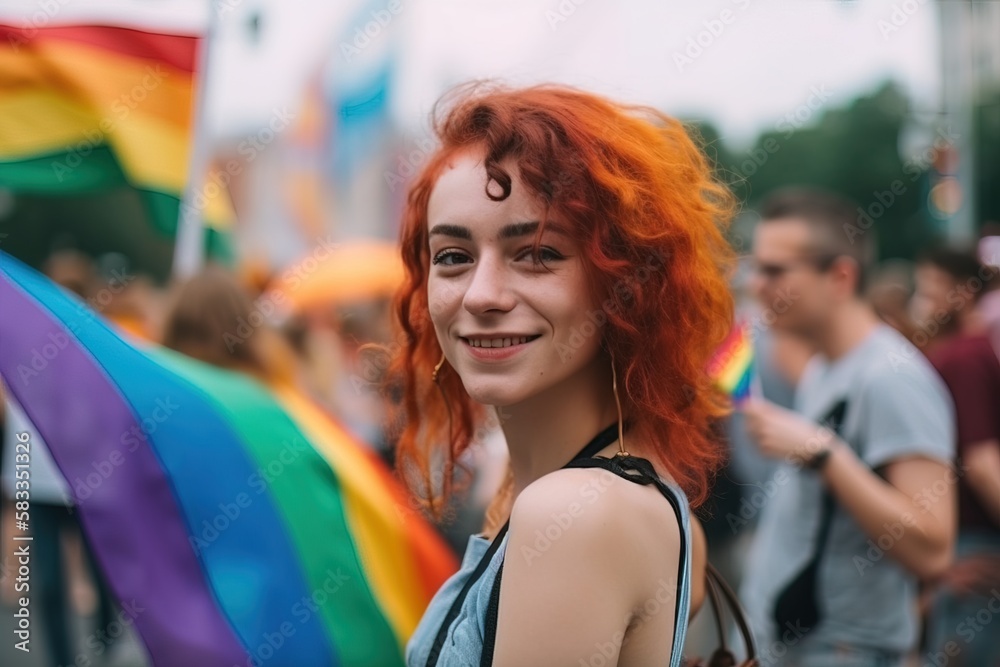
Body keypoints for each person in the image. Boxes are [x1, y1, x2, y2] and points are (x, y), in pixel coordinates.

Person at [392, 83, 734, 666]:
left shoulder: (572, 515)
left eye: (539, 253)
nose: (482, 295)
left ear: (626, 284)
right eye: (452, 257)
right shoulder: (602, 493)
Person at [740, 188, 956, 666]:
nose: (756, 285)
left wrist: (823, 454)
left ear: (839, 276)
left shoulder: (891, 378)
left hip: (844, 648)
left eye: (775, 270)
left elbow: (934, 550)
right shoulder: (826, 365)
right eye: (755, 267)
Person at [912, 247, 1000, 666]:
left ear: (961, 295)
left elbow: (982, 465)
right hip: (964, 543)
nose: (920, 303)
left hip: (973, 545)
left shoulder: (966, 356)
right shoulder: (965, 352)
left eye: (929, 291)